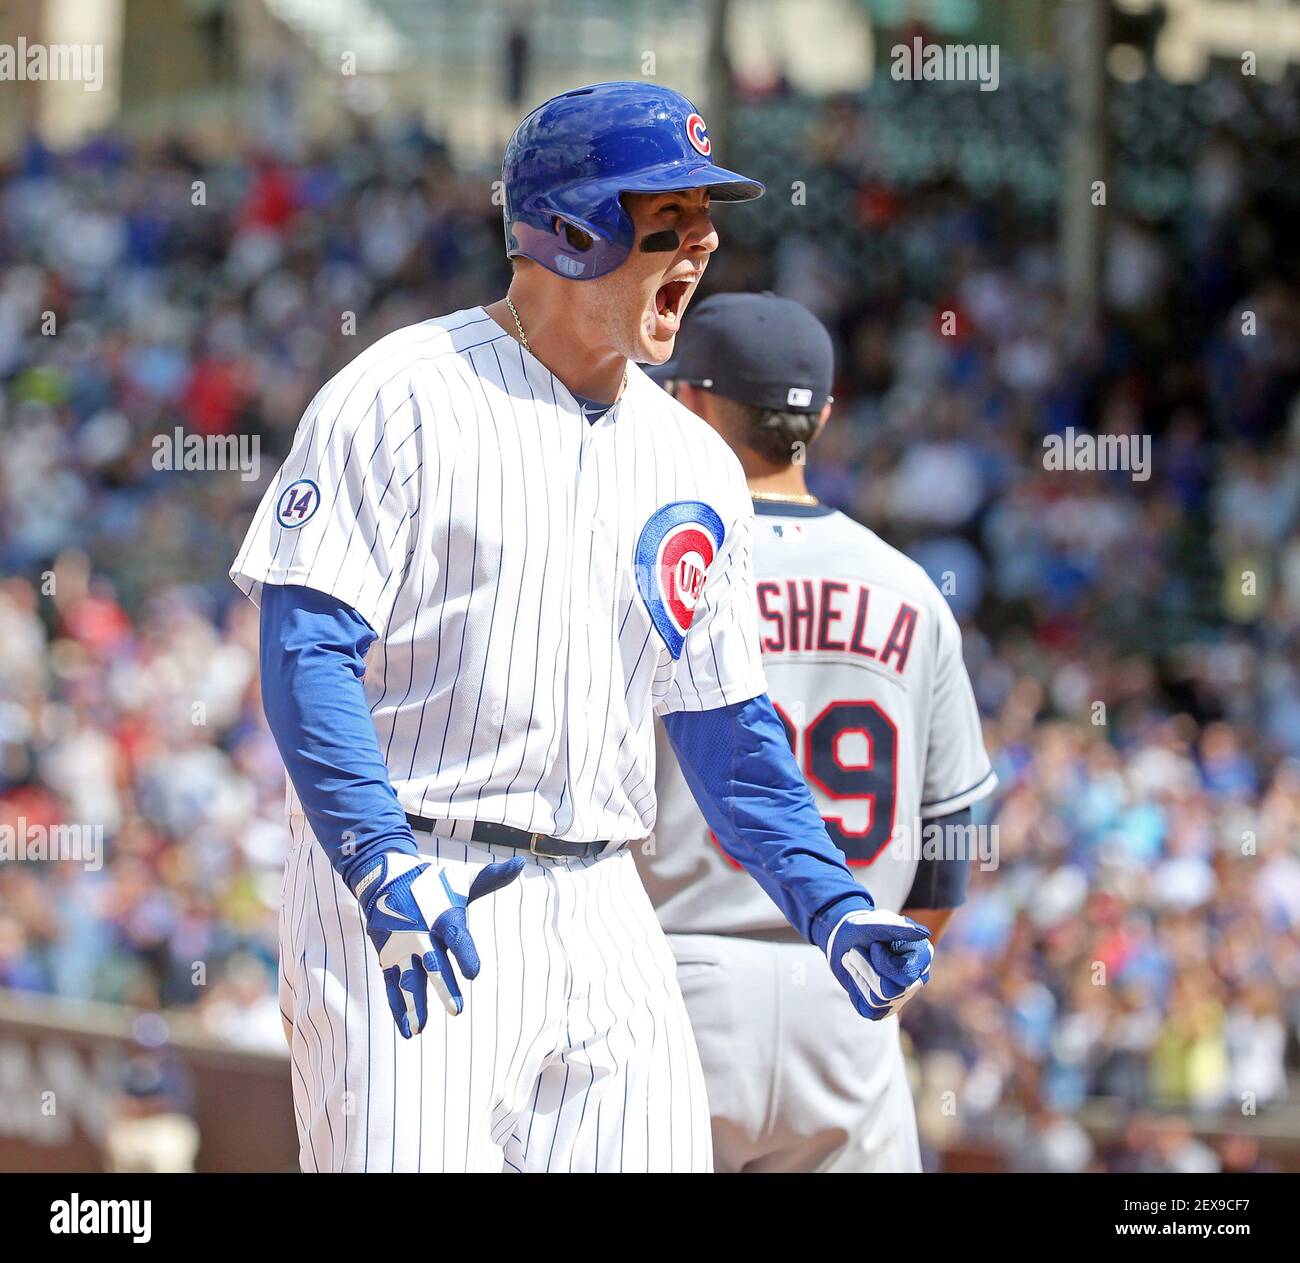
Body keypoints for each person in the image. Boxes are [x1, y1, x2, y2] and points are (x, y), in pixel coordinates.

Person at [230, 82, 931, 1174]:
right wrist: (374, 861)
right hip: (419, 879)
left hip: (608, 907)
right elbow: (305, 648)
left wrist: (829, 899)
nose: (702, 246)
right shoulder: (402, 395)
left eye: (708, 220)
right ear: (568, 232)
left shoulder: (692, 458)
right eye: (670, 220)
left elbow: (726, 727)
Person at [639, 292, 996, 1172]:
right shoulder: (911, 588)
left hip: (671, 982)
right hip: (849, 990)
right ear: (823, 417)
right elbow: (953, 844)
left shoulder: (653, 567)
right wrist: (870, 981)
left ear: (688, 402)